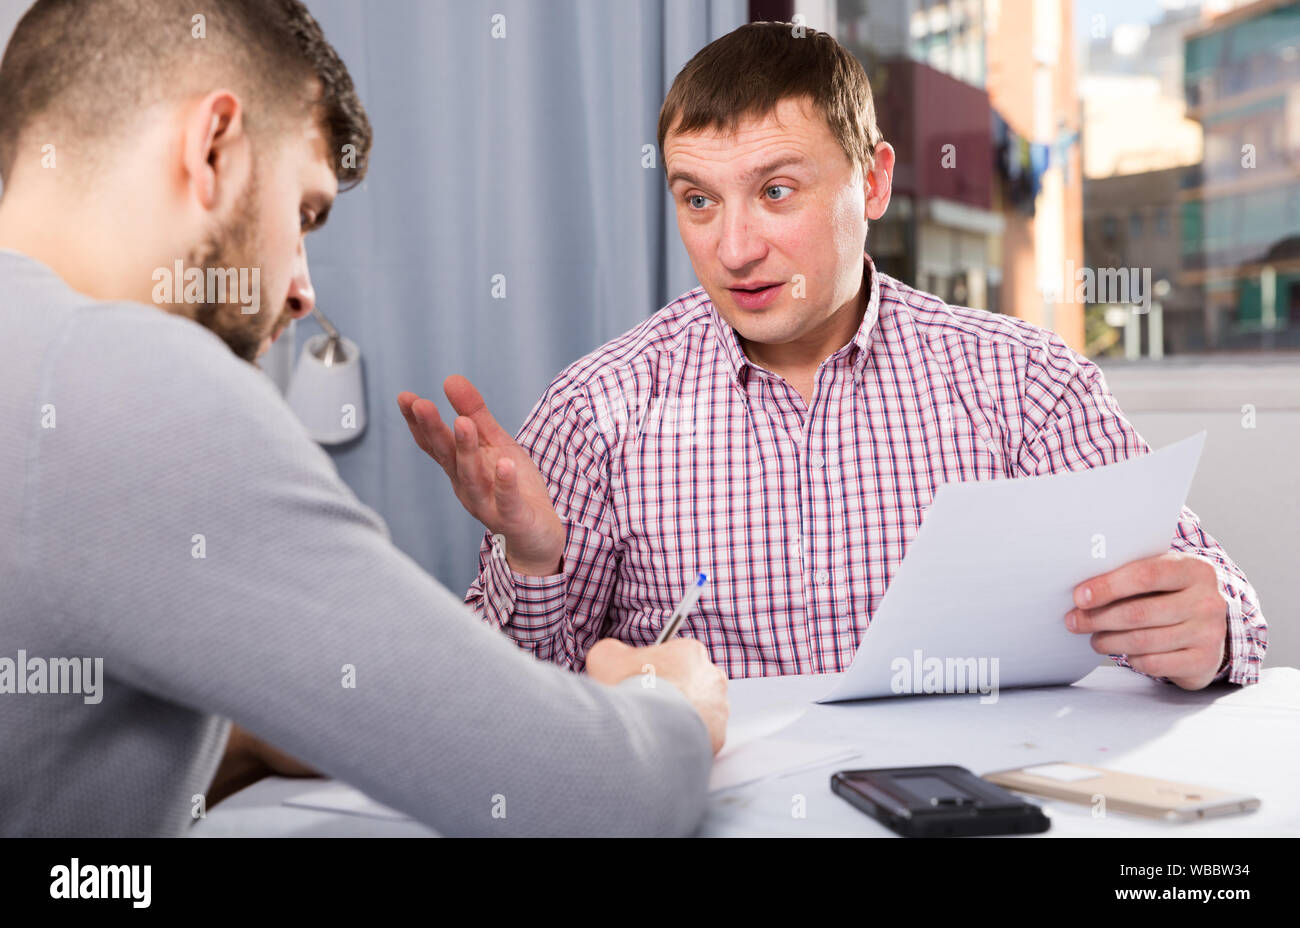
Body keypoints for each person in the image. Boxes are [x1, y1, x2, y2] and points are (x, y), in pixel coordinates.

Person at [0, 0, 727, 838]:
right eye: (304, 215)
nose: (304, 290)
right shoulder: (130, 382)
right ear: (213, 148)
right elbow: (601, 799)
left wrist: (244, 743)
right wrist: (674, 702)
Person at [399, 22, 1266, 689]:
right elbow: (503, 705)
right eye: (698, 200)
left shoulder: (1025, 384)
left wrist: (1209, 627)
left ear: (875, 181)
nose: (733, 248)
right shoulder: (597, 409)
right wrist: (535, 560)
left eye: (777, 191)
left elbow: (1217, 600)